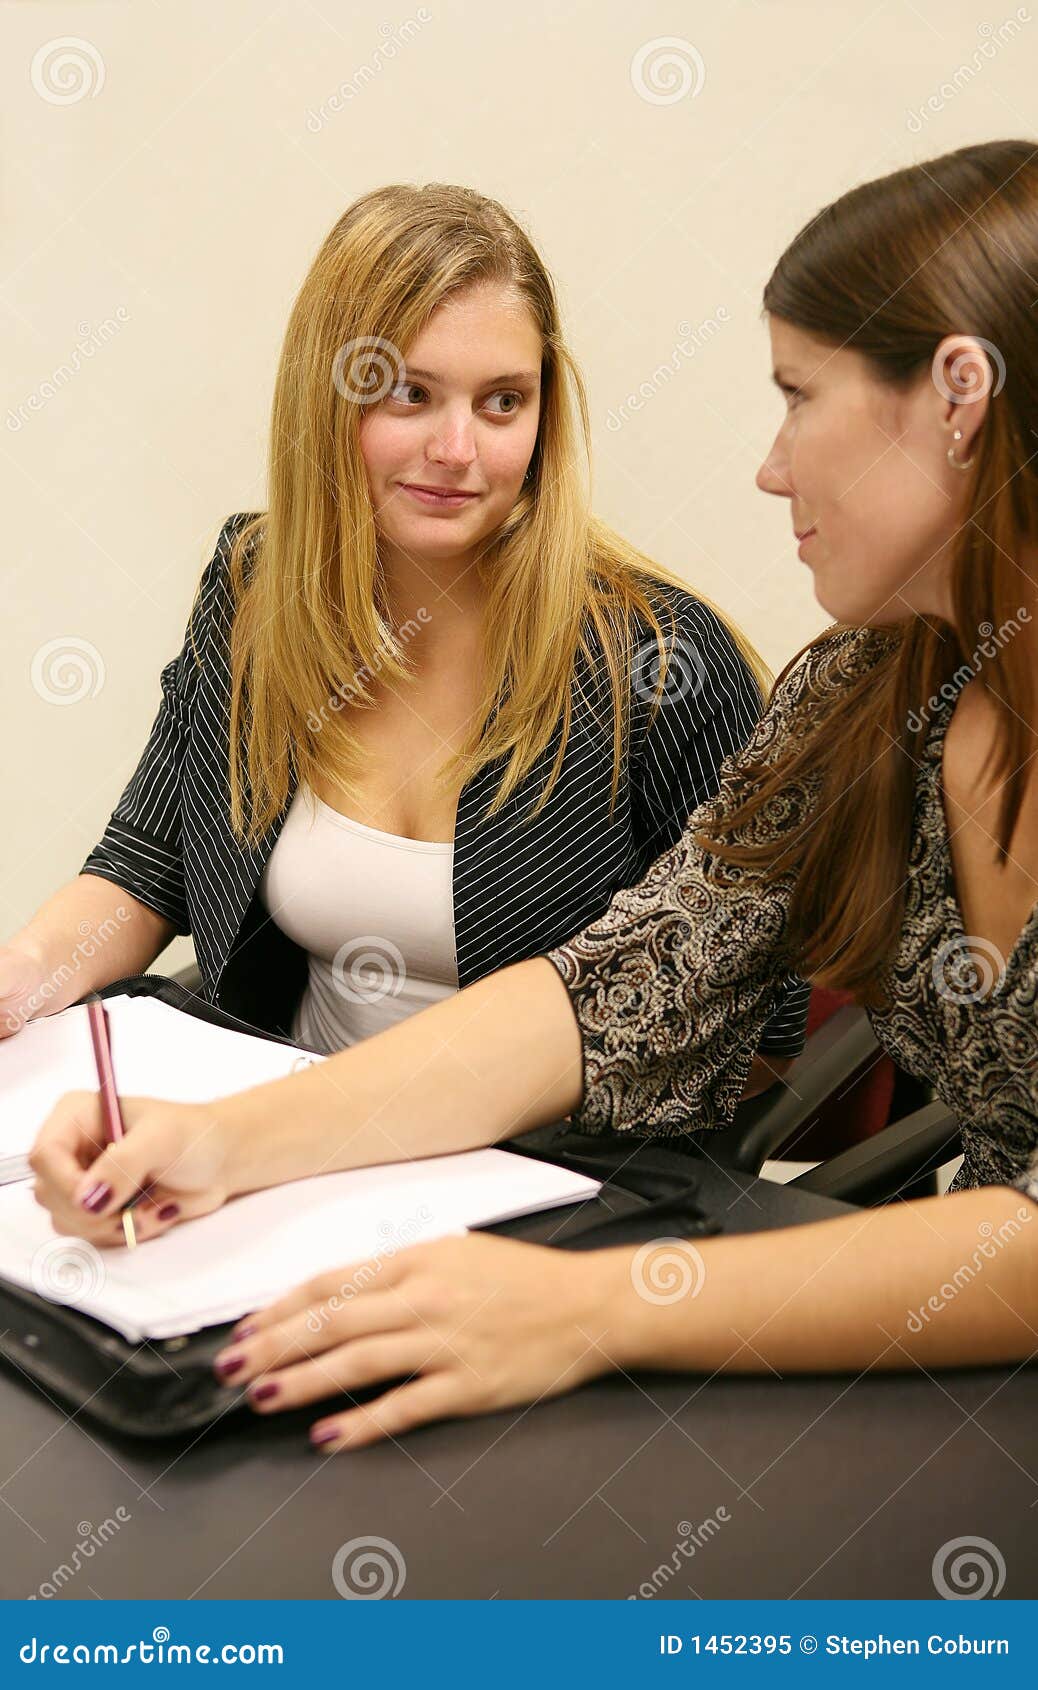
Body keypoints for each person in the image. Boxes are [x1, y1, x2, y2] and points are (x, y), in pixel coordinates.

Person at [31, 139, 1038, 1454]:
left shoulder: (661, 654)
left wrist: (585, 1305)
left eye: (798, 394)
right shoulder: (862, 693)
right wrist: (228, 1141)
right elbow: (614, 987)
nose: (770, 467)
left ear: (956, 396)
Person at [3, 185, 806, 1084]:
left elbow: (764, 1037)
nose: (459, 449)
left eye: (503, 402)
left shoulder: (663, 664)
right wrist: (22, 976)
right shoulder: (255, 586)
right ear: (326, 399)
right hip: (275, 1136)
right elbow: (145, 869)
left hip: (548, 1179)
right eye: (412, 395)